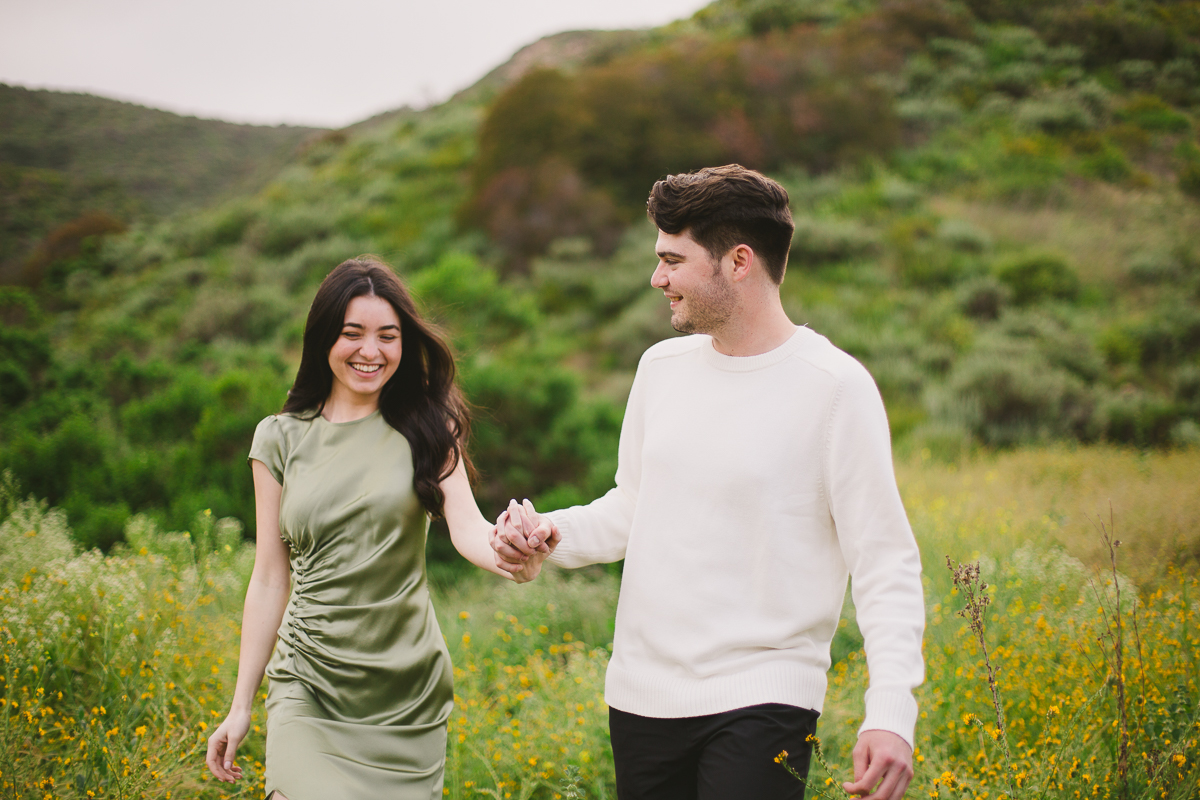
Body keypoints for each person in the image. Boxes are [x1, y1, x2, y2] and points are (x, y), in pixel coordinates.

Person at [492, 166, 925, 800]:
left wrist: (891, 710)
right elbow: (634, 507)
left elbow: (884, 560)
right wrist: (551, 533)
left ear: (739, 262)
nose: (656, 278)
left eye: (673, 260)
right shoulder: (660, 368)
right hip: (641, 700)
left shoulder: (834, 388)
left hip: (766, 698)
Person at [204, 257, 559, 799]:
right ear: (324, 338)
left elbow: (469, 531)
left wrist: (514, 551)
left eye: (387, 336)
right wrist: (241, 705)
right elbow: (270, 578)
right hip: (308, 681)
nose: (370, 351)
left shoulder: (428, 429)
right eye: (353, 334)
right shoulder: (278, 439)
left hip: (404, 696)